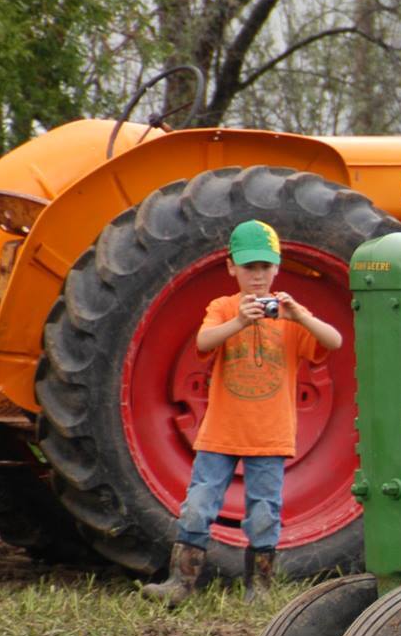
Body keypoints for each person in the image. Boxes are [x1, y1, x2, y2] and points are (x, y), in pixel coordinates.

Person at [140, 220, 343, 605]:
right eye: (249, 267)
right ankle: (180, 583)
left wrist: (300, 317)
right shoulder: (222, 307)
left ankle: (260, 589)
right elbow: (203, 341)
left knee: (264, 512)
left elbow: (334, 340)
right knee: (199, 504)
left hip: (270, 436)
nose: (257, 276)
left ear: (277, 268)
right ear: (232, 267)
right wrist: (240, 321)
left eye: (265, 267)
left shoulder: (289, 315)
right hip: (220, 433)